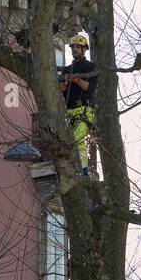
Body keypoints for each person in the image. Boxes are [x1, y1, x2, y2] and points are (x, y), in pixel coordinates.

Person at [60, 33, 96, 177]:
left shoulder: (90, 67)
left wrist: (75, 79)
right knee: (67, 141)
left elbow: (89, 87)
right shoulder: (67, 69)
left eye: (77, 47)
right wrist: (62, 84)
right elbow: (62, 91)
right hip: (69, 110)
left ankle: (84, 171)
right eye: (73, 47)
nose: (74, 49)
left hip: (84, 110)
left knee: (78, 140)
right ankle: (72, 170)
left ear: (84, 49)